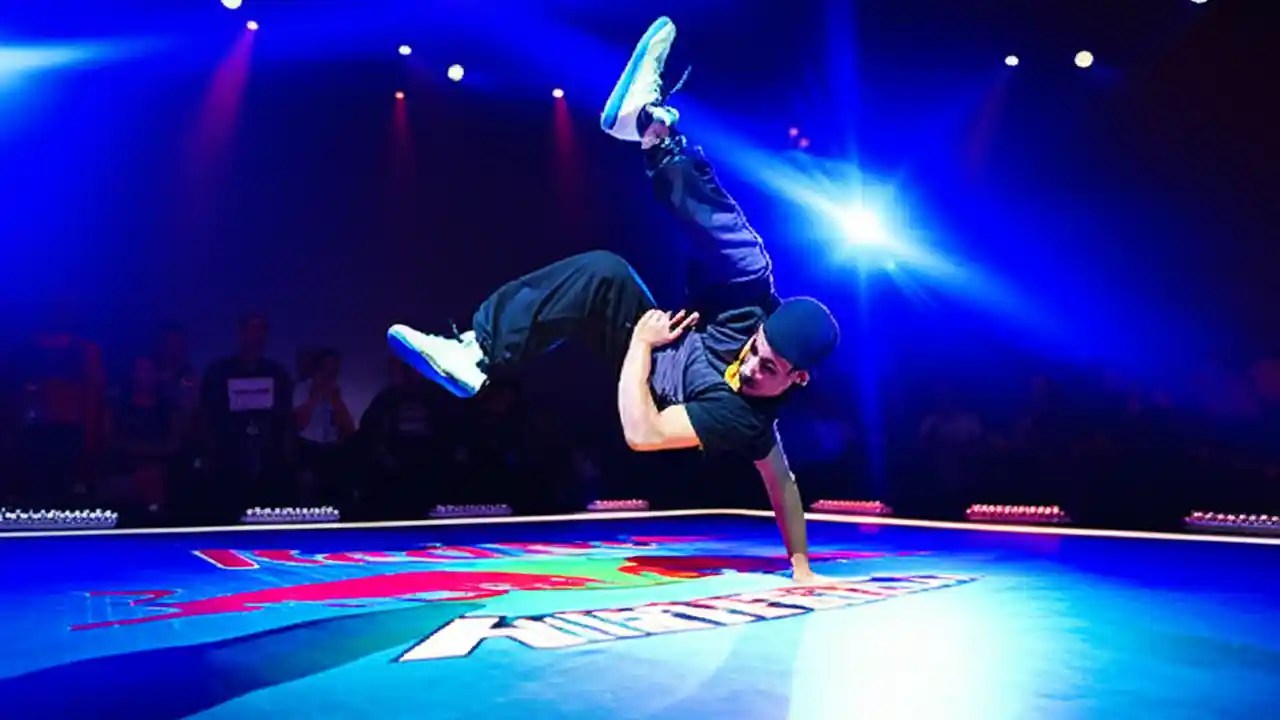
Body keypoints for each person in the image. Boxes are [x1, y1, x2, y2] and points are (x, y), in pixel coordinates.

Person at [387, 16, 838, 582]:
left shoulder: (744, 420)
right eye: (755, 348)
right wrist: (800, 561)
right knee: (620, 269)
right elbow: (725, 257)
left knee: (721, 280)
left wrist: (643, 348)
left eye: (767, 367)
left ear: (797, 380)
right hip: (665, 327)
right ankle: (477, 351)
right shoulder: (753, 317)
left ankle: (651, 135)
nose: (749, 365)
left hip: (645, 373)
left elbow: (654, 437)